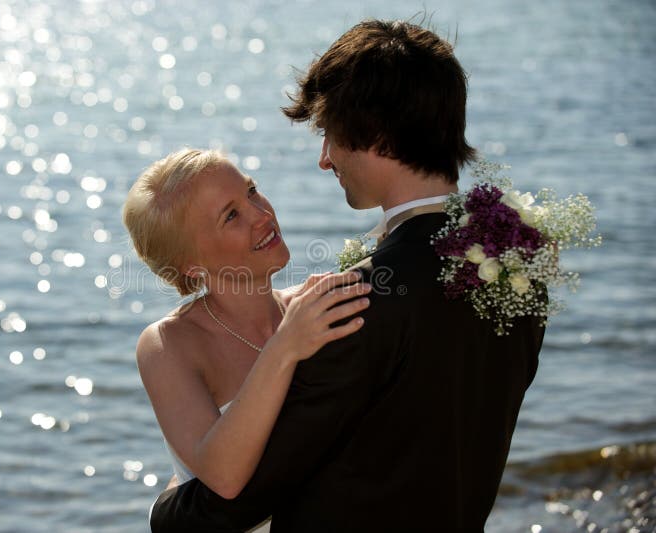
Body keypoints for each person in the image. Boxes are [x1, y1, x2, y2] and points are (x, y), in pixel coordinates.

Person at [148, 19, 545, 532]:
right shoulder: (519, 263)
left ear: (374, 136)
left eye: (329, 134)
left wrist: (165, 513)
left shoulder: (354, 306)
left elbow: (237, 502)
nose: (324, 158)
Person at [123, 148, 372, 532]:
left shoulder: (308, 310)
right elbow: (223, 476)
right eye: (232, 215)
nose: (262, 214)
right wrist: (286, 346)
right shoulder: (168, 345)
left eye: (252, 191)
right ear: (191, 262)